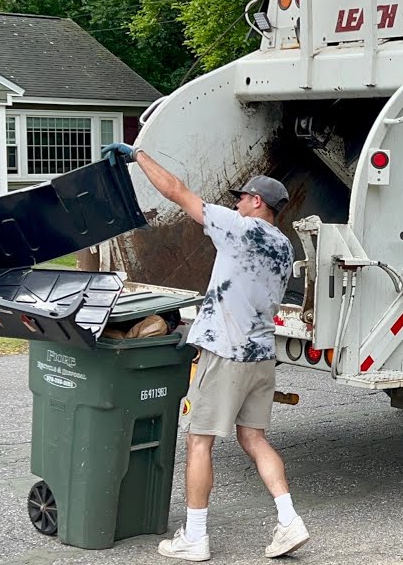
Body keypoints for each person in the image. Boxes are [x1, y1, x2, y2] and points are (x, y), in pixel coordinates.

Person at [103, 142, 308, 561]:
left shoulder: (240, 228)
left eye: (242, 198)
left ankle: (195, 536)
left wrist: (139, 156)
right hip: (260, 355)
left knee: (199, 443)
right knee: (253, 438)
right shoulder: (284, 246)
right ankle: (289, 521)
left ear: (256, 202)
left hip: (227, 353)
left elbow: (177, 191)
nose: (238, 204)